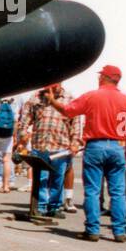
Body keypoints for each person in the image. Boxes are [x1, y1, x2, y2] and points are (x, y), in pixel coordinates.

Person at [49, 64, 126, 242]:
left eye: (100, 76)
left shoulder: (92, 96)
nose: (98, 78)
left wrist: (52, 101)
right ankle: (119, 232)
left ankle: (93, 230)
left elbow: (68, 111)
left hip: (96, 146)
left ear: (104, 77)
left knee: (93, 191)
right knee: (118, 192)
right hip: (116, 146)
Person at [16, 84, 82, 218]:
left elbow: (76, 122)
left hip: (61, 146)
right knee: (41, 178)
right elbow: (25, 119)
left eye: (54, 86)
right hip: (40, 145)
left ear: (61, 84)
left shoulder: (70, 98)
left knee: (58, 179)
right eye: (48, 86)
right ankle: (40, 206)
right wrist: (23, 134)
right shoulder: (36, 97)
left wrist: (75, 142)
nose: (51, 89)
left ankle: (54, 207)